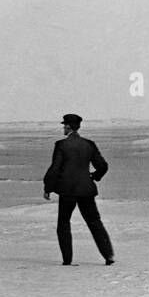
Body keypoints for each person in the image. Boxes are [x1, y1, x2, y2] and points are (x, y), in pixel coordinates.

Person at [43, 113, 114, 265]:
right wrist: (94, 177)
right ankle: (109, 256)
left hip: (67, 190)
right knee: (95, 222)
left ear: (68, 126)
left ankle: (67, 260)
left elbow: (55, 168)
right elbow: (103, 166)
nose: (63, 127)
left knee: (63, 223)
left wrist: (48, 187)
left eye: (64, 125)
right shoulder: (89, 144)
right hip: (86, 189)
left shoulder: (61, 145)